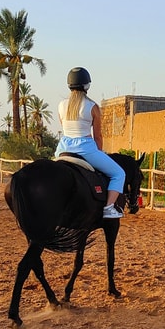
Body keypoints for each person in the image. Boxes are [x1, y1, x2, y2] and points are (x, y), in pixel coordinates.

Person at [55, 67, 126, 219]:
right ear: (87, 85)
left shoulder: (61, 105)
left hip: (62, 149)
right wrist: (99, 152)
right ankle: (108, 208)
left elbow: (64, 127)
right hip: (86, 150)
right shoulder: (92, 106)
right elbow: (98, 136)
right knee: (119, 173)